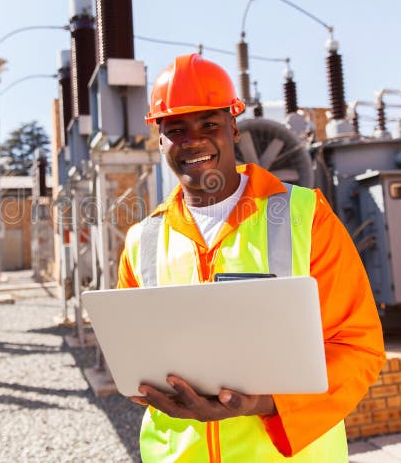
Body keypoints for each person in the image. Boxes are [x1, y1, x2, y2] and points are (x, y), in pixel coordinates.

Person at [116, 53, 386, 462]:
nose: (194, 140)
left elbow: (357, 345)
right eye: (176, 129)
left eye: (209, 124)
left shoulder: (304, 217)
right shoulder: (142, 241)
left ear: (233, 127)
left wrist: (265, 402)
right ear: (160, 140)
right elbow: (132, 357)